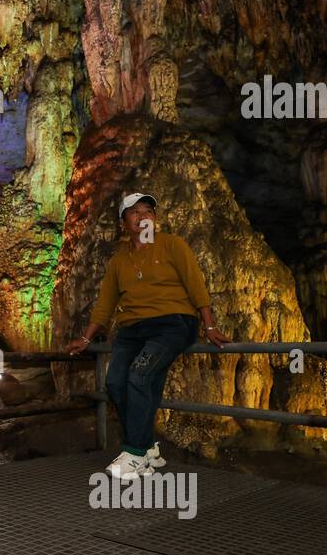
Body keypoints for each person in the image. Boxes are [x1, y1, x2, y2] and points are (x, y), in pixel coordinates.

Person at [65, 192, 230, 479]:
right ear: (123, 222)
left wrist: (210, 325)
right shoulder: (118, 261)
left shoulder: (172, 245)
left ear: (155, 217)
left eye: (147, 211)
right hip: (132, 329)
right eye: (134, 212)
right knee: (116, 382)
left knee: (140, 375)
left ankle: (135, 453)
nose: (142, 216)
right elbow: (105, 303)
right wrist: (87, 337)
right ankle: (147, 447)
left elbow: (195, 284)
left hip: (173, 323)